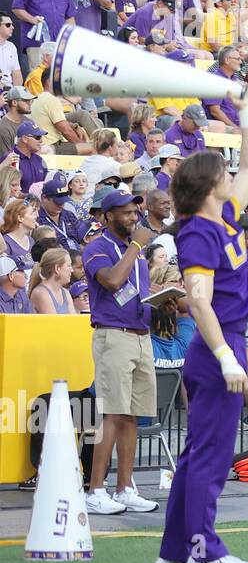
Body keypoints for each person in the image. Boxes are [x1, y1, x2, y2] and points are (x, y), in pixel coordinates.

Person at [156, 91, 248, 563]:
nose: (229, 174)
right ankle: (205, 551)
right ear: (206, 185)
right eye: (220, 170)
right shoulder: (199, 229)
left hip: (227, 340)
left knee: (199, 451)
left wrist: (246, 113)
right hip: (219, 343)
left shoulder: (224, 218)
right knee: (212, 456)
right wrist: (224, 355)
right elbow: (197, 298)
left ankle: (176, 551)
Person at [83, 189, 158, 515]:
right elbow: (113, 281)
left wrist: (163, 302)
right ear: (108, 215)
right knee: (111, 413)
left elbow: (136, 292)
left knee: (131, 415)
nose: (134, 217)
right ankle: (95, 490)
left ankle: (125, 487)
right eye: (126, 213)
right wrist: (138, 245)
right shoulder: (98, 247)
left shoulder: (133, 250)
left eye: (135, 212)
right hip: (113, 336)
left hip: (141, 336)